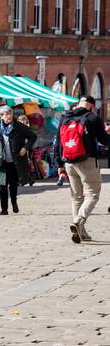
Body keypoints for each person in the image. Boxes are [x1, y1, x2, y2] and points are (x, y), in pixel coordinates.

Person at [56, 96, 110, 242]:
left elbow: (58, 143)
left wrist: (59, 165)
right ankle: (78, 220)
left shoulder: (65, 118)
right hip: (87, 161)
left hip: (69, 162)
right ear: (91, 106)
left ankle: (81, 232)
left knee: (77, 197)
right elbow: (104, 140)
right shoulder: (92, 117)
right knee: (92, 194)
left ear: (78, 104)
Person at [0, 105, 36, 218]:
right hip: (1, 160)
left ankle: (14, 202)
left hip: (15, 161)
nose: (9, 116)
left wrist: (25, 148)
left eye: (10, 113)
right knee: (3, 185)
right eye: (6, 114)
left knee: (13, 184)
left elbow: (33, 136)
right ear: (0, 116)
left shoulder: (19, 126)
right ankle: (4, 209)